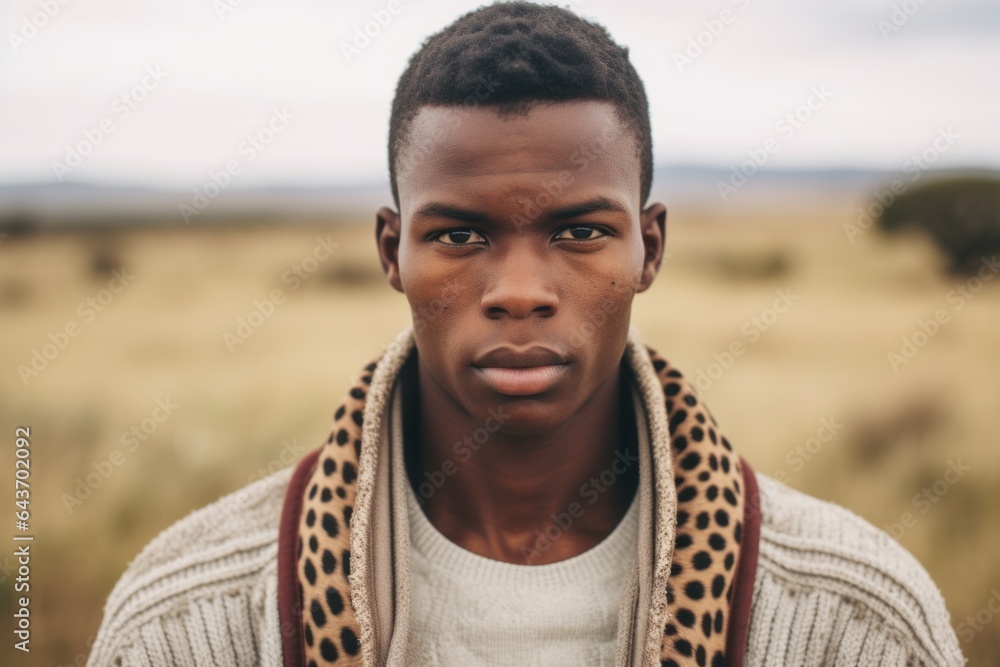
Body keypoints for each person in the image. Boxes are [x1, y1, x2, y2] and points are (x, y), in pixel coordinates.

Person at [87, 3, 966, 665]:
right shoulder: (190, 619)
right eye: (461, 235)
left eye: (580, 232)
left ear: (648, 247)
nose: (518, 292)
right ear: (393, 252)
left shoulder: (853, 622)